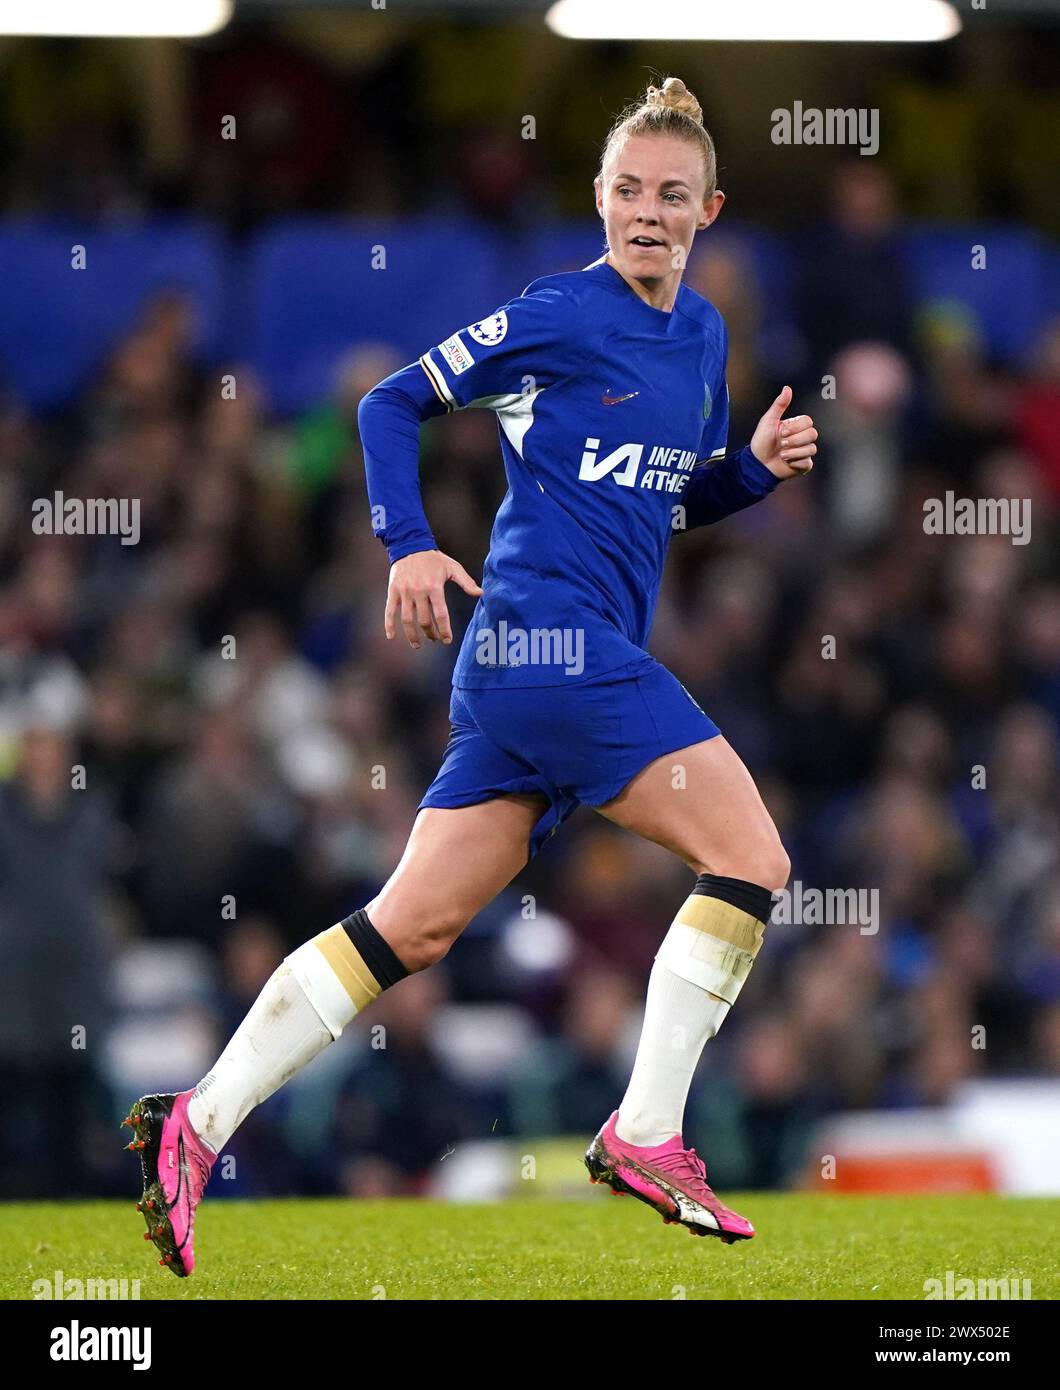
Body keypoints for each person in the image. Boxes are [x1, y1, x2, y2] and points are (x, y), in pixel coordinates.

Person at [123, 75, 817, 1276]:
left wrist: (745, 471)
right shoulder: (558, 312)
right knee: (751, 858)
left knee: (414, 924)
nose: (647, 211)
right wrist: (406, 542)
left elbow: (659, 499)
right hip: (548, 645)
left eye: (671, 194)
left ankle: (198, 1122)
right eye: (626, 189)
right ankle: (646, 1132)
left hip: (541, 668)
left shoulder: (700, 336)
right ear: (598, 198)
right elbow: (392, 403)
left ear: (709, 207)